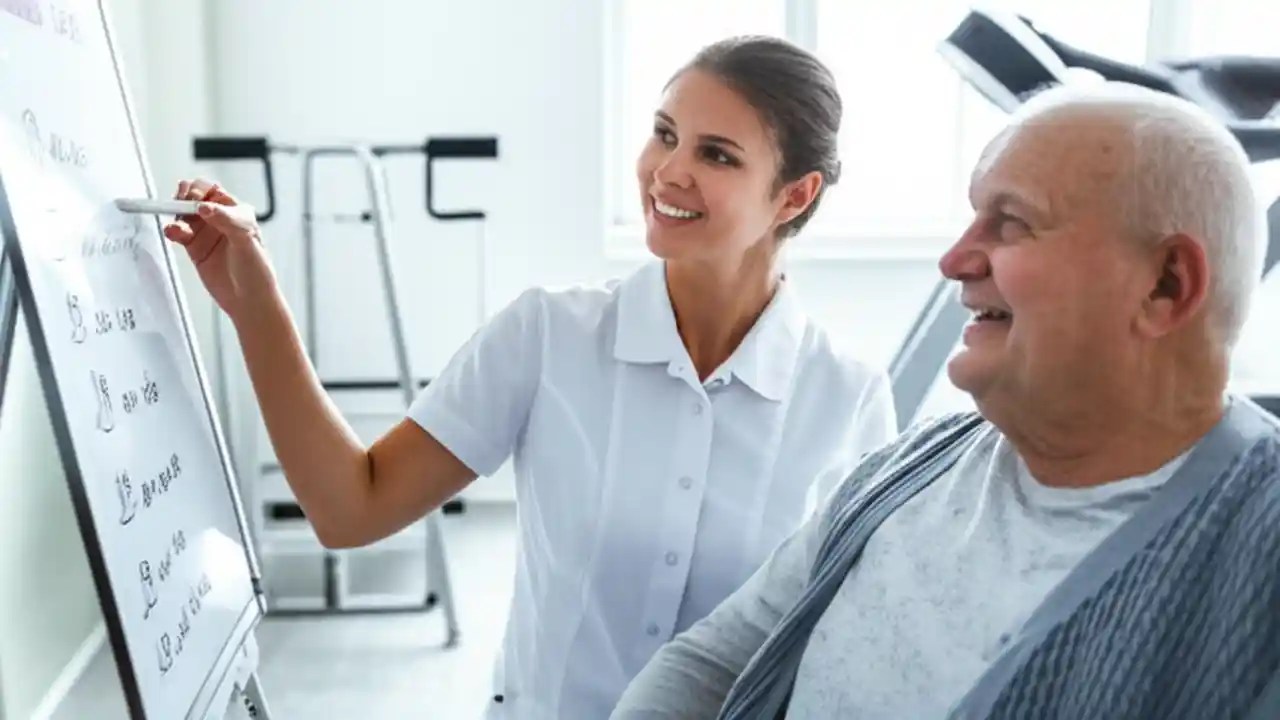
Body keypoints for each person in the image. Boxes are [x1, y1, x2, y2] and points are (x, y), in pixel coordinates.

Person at [165, 36, 897, 718]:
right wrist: (254, 306)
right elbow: (351, 508)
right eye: (665, 133)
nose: (668, 171)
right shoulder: (548, 336)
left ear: (793, 197)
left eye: (718, 155)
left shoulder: (849, 398)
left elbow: (851, 653)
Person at [612, 81, 1280, 719]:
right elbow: (712, 662)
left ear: (1166, 284)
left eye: (1012, 223)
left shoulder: (1257, 559)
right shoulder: (912, 464)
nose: (956, 259)